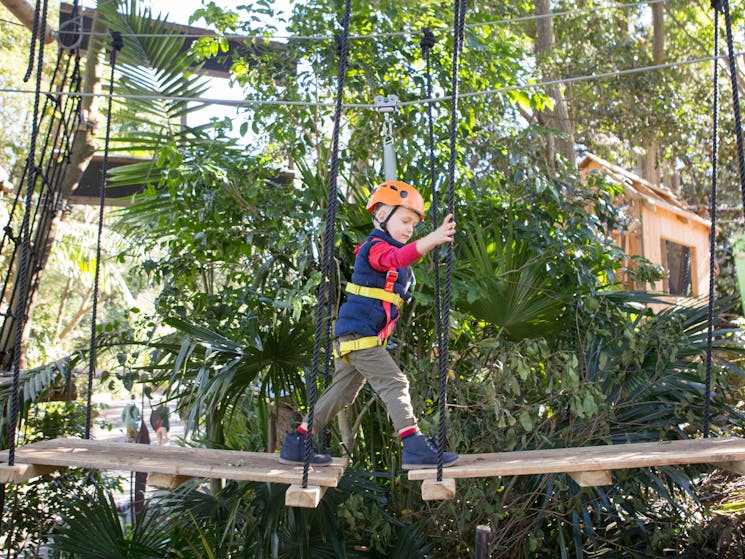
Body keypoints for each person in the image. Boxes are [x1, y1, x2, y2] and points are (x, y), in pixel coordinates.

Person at [279, 180, 459, 469]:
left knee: (342, 392)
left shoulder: (388, 248)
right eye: (404, 220)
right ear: (381, 216)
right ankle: (413, 444)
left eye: (413, 224)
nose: (410, 229)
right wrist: (431, 240)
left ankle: (298, 442)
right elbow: (396, 258)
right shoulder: (375, 248)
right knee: (395, 382)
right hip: (359, 333)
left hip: (359, 335)